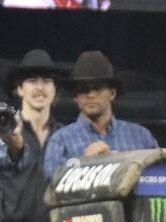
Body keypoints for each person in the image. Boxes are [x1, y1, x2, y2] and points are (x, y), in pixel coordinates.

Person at [0, 49, 65, 222]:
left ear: (54, 89)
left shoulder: (66, 136)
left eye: (47, 81)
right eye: (32, 80)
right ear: (19, 89)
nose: (40, 87)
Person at [43, 51, 156, 180]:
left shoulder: (141, 137)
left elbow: (159, 178)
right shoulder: (60, 140)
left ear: (112, 93)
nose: (90, 95)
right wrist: (85, 165)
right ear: (75, 97)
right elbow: (53, 187)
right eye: (83, 89)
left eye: (97, 88)